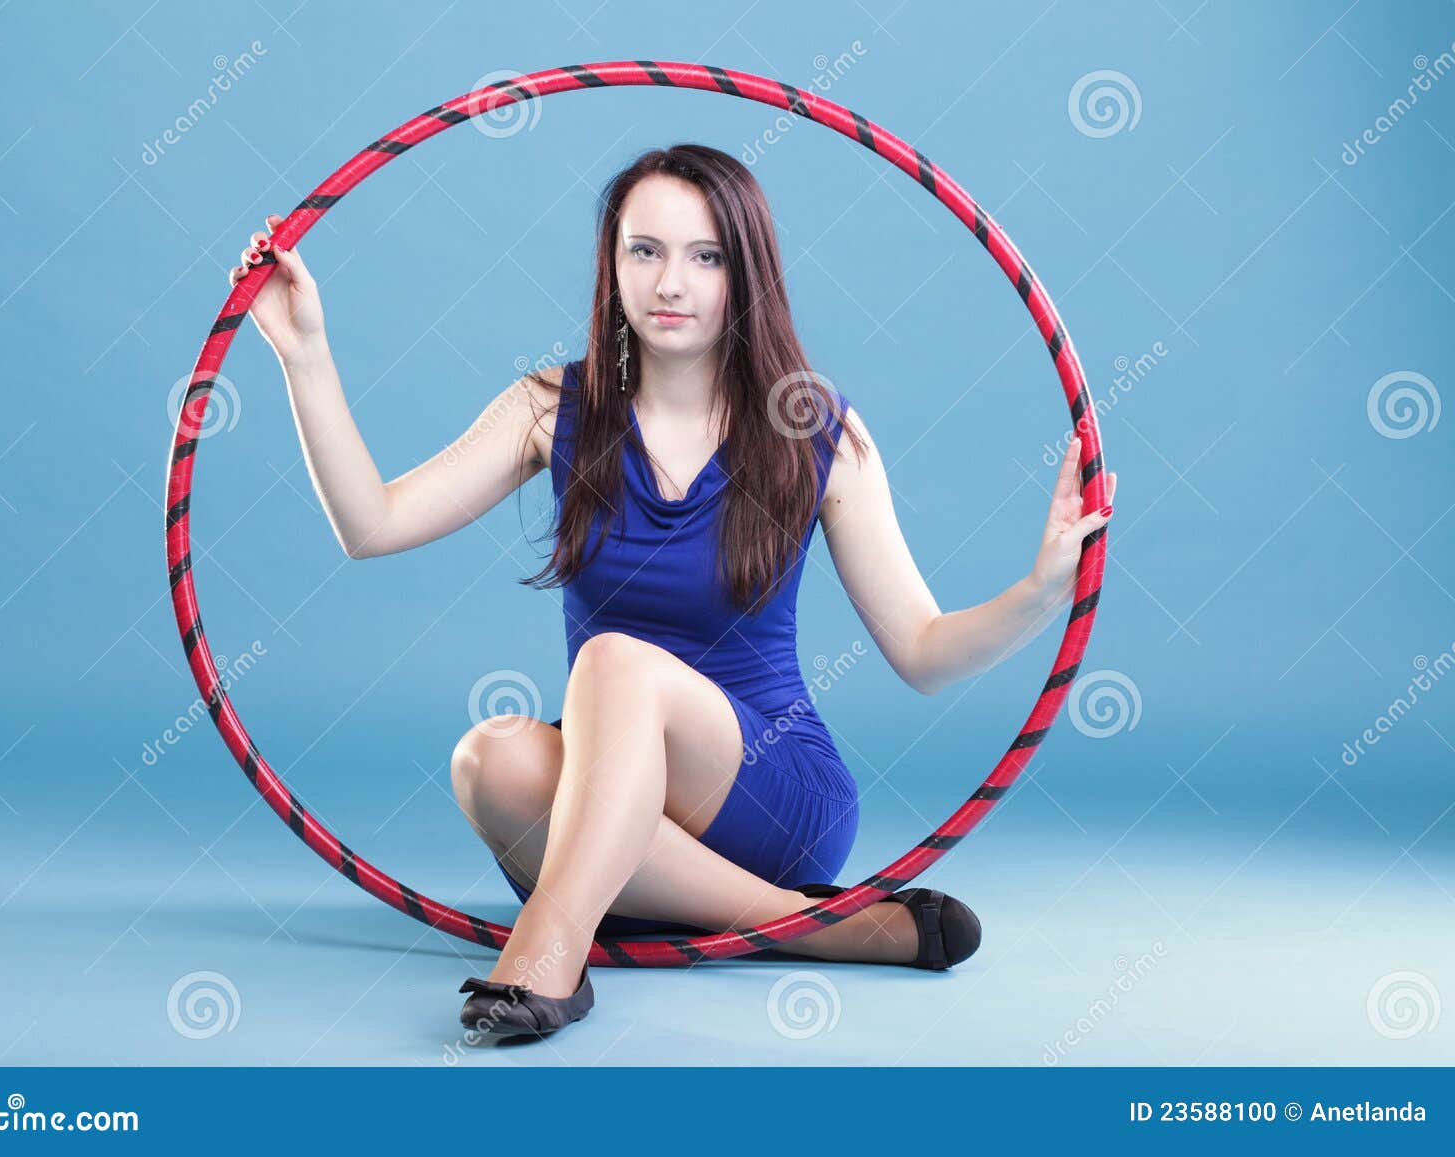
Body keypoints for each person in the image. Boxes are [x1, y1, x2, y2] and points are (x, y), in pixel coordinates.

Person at [229, 143, 1117, 1040]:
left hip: (773, 789)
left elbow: (924, 652)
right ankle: (808, 922)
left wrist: (1043, 590)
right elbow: (371, 525)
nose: (670, 281)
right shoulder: (549, 407)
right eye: (643, 250)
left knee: (616, 661)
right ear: (611, 265)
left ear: (747, 271)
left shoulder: (816, 429)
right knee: (486, 760)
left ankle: (549, 955)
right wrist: (304, 354)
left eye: (706, 256)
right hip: (617, 808)